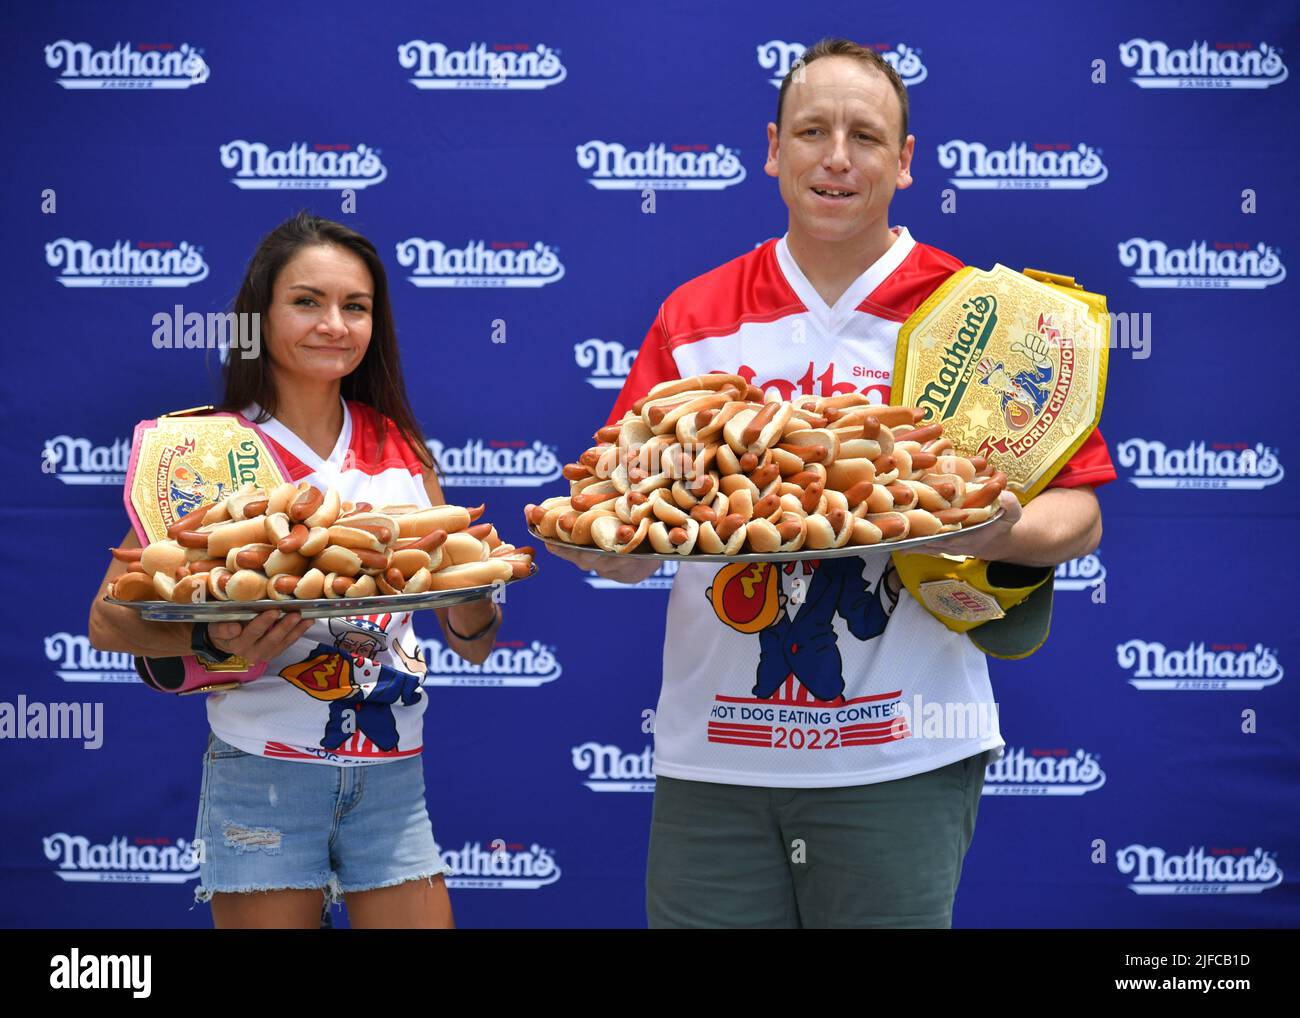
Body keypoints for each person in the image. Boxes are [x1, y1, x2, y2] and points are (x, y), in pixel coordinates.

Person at [549, 38, 1117, 928]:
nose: (838, 158)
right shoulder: (695, 316)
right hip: (718, 755)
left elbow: (1079, 511)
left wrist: (994, 535)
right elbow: (625, 520)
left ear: (907, 161)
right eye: (813, 131)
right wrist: (609, 546)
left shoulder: (980, 313)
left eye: (866, 134)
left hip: (902, 752)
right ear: (774, 149)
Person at [88, 211, 502, 929]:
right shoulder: (210, 451)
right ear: (260, 315)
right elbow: (108, 620)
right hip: (264, 770)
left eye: (356, 306)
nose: (334, 324)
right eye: (307, 301)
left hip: (392, 771)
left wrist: (472, 607)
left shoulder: (401, 447)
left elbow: (473, 640)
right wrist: (212, 643)